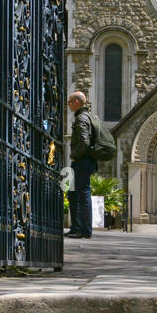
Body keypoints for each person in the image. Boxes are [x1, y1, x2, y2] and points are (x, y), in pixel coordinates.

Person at [66, 91, 98, 239]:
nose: (68, 104)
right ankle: (76, 227)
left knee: (83, 194)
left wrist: (74, 155)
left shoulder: (81, 119)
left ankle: (85, 230)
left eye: (70, 101)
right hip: (84, 161)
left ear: (77, 102)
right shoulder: (87, 117)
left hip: (82, 162)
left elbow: (84, 142)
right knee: (72, 194)